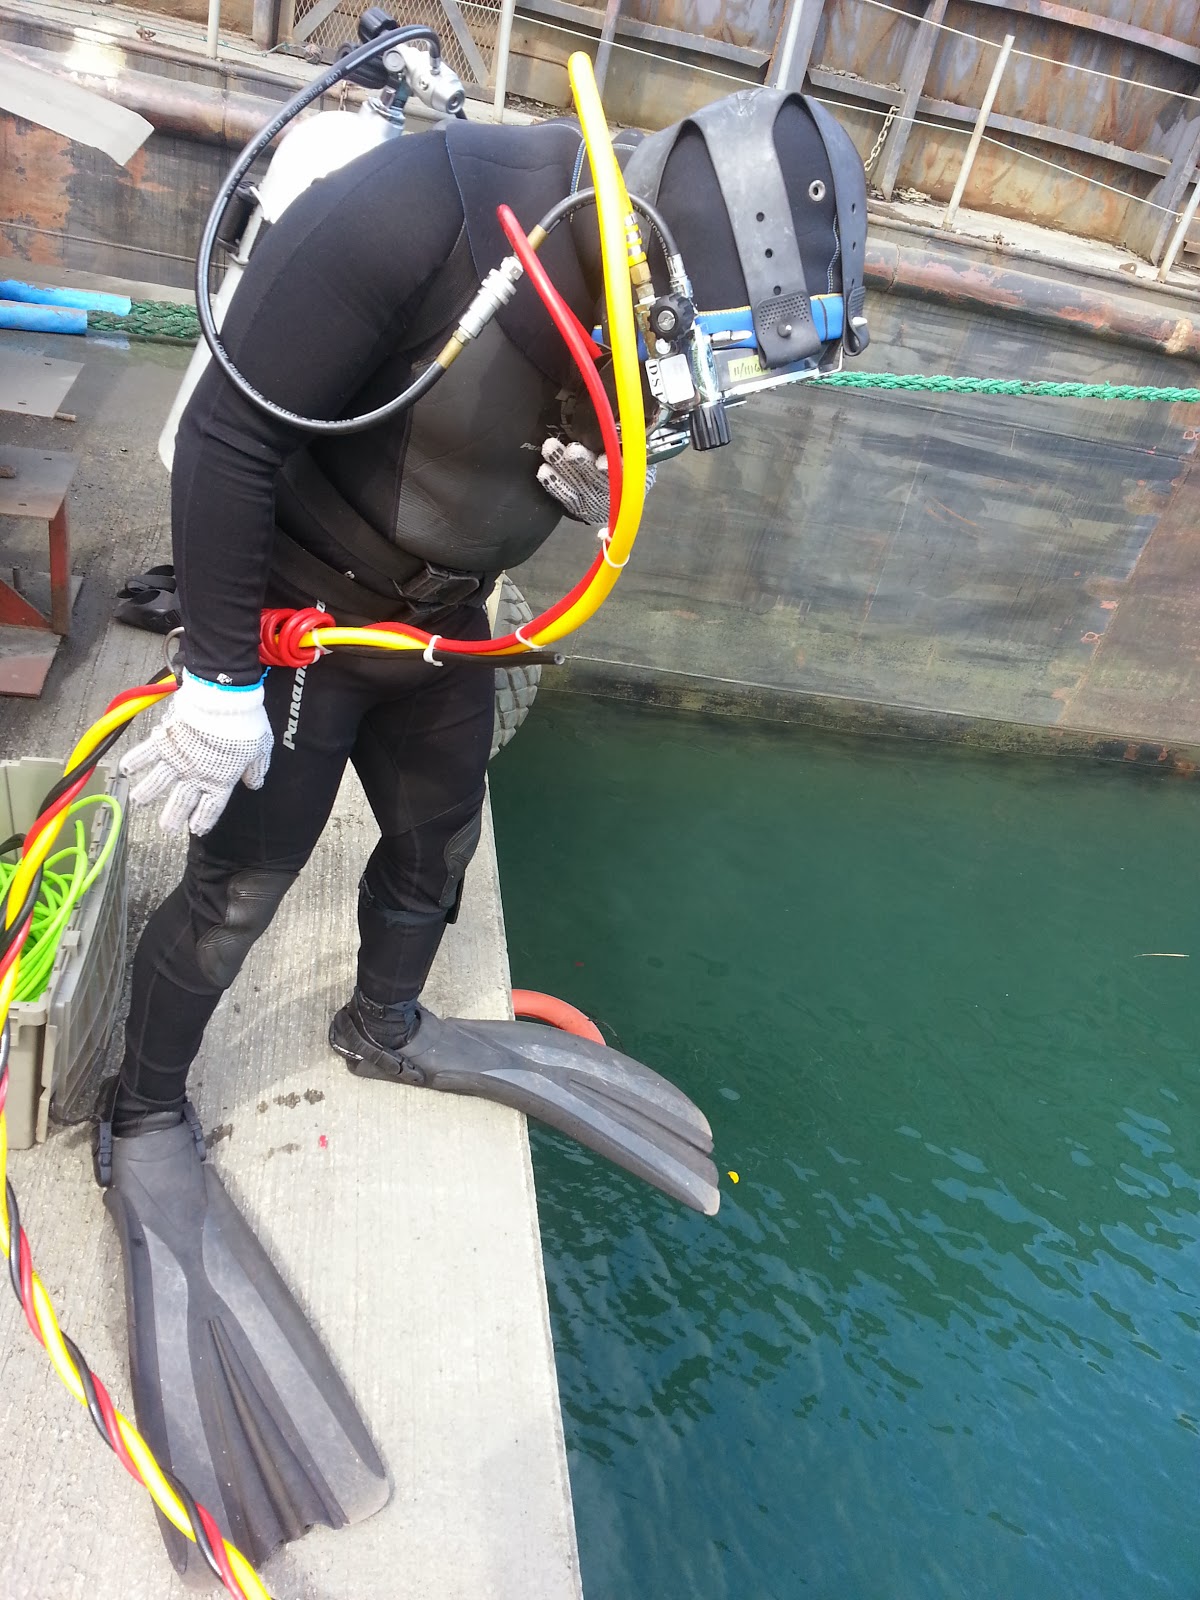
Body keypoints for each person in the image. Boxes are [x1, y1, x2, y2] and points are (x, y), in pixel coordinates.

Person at [97, 79, 867, 1580]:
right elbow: (228, 445)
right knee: (244, 882)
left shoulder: (643, 302)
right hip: (306, 612)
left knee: (438, 842)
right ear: (641, 245)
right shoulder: (420, 212)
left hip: (446, 627)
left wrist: (589, 484)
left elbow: (609, 407)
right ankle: (140, 1117)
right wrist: (214, 676)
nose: (678, 375)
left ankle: (387, 1025)